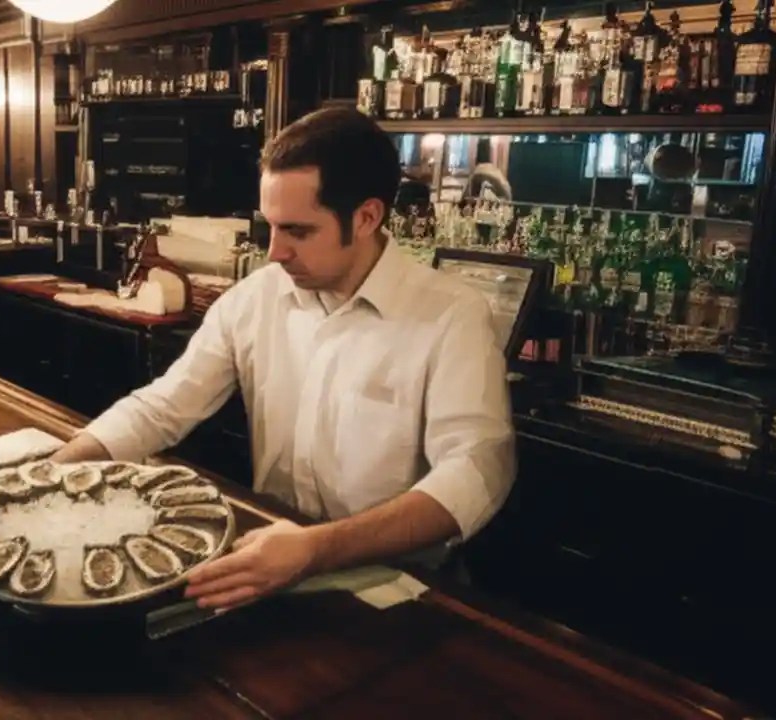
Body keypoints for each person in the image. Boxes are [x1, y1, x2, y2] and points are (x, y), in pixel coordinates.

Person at [50, 107, 515, 610]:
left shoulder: (451, 315)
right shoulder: (258, 297)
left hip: (396, 587)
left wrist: (316, 549)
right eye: (270, 227)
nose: (275, 253)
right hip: (268, 559)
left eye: (298, 231)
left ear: (366, 217)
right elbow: (163, 406)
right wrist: (56, 471)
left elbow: (476, 470)